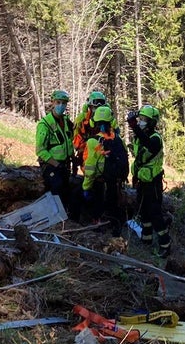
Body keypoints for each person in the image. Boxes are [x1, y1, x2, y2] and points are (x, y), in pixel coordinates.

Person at [128, 104, 170, 258]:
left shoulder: (155, 138)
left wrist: (135, 128)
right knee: (143, 211)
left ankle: (165, 244)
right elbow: (140, 157)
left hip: (153, 182)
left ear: (152, 122)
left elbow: (149, 146)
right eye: (140, 119)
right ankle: (146, 239)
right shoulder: (140, 136)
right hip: (142, 180)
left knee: (155, 213)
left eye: (144, 119)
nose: (141, 122)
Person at [81, 105, 128, 235]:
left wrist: (86, 187)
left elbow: (90, 168)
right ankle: (115, 229)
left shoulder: (93, 142)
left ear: (94, 122)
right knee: (113, 205)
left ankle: (98, 226)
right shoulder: (118, 139)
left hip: (99, 182)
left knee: (98, 205)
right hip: (115, 181)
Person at [36, 89, 78, 214]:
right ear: (53, 103)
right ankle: (53, 215)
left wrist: (73, 159)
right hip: (50, 164)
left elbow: (69, 142)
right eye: (58, 102)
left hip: (65, 164)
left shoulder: (66, 122)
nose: (61, 106)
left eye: (64, 103)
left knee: (67, 190)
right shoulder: (45, 124)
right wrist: (56, 164)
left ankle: (65, 215)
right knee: (56, 187)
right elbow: (40, 150)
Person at [72, 90, 113, 170]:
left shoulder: (110, 119)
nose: (97, 109)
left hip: (105, 152)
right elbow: (76, 138)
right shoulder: (82, 119)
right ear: (90, 106)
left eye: (100, 107)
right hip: (87, 152)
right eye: (95, 107)